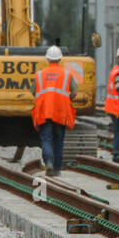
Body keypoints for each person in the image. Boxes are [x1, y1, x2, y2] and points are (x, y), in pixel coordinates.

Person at [33, 45, 78, 176]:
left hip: (45, 111)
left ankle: (48, 163)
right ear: (60, 59)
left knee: (46, 140)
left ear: (47, 59)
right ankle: (57, 169)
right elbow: (74, 92)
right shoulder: (67, 75)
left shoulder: (40, 75)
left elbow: (33, 92)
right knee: (58, 140)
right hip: (61, 112)